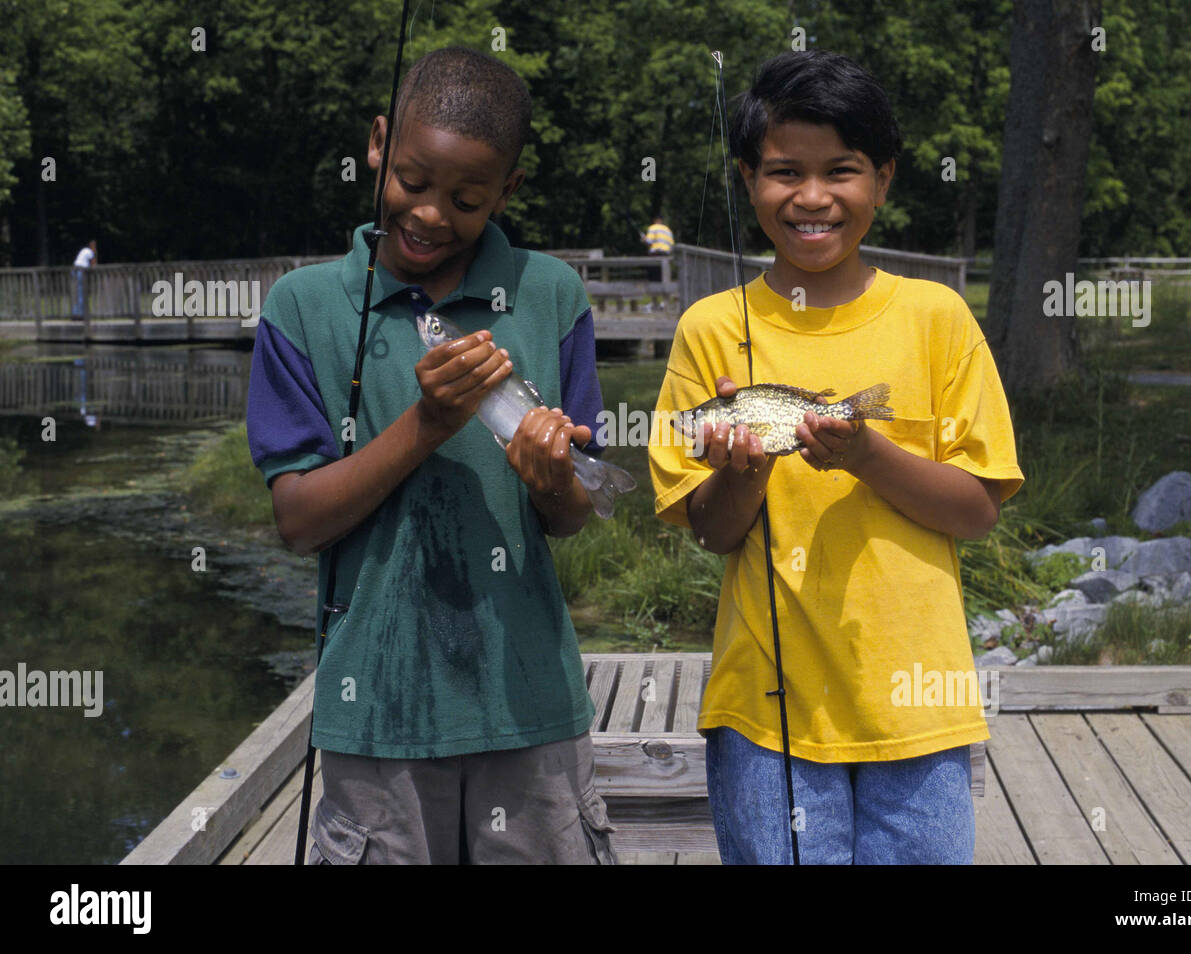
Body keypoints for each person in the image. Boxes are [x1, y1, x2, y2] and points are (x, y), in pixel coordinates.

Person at [648, 50, 1025, 865]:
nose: (812, 197)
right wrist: (742, 469)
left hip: (920, 703)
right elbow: (712, 531)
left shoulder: (938, 317)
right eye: (784, 172)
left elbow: (978, 510)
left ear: (883, 179)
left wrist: (867, 457)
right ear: (748, 179)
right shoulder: (711, 329)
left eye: (842, 171)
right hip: (765, 708)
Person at [246, 46, 616, 864]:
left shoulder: (551, 293)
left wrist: (558, 482)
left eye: (468, 199)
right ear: (378, 142)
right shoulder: (301, 307)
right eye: (413, 182)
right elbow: (298, 521)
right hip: (374, 711)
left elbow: (570, 519)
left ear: (509, 192)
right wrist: (428, 424)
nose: (430, 214)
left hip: (531, 704)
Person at [641, 215, 674, 290]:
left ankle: (654, 297)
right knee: (664, 277)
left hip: (655, 255)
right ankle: (664, 298)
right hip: (666, 255)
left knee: (653, 278)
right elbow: (671, 244)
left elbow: (649, 241)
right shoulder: (668, 230)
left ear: (655, 220)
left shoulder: (653, 227)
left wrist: (644, 239)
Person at [72, 240, 96, 319]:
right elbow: (93, 263)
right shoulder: (90, 251)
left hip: (74, 270)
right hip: (80, 271)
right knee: (81, 292)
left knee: (76, 292)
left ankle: (75, 313)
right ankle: (80, 314)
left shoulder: (83, 250)